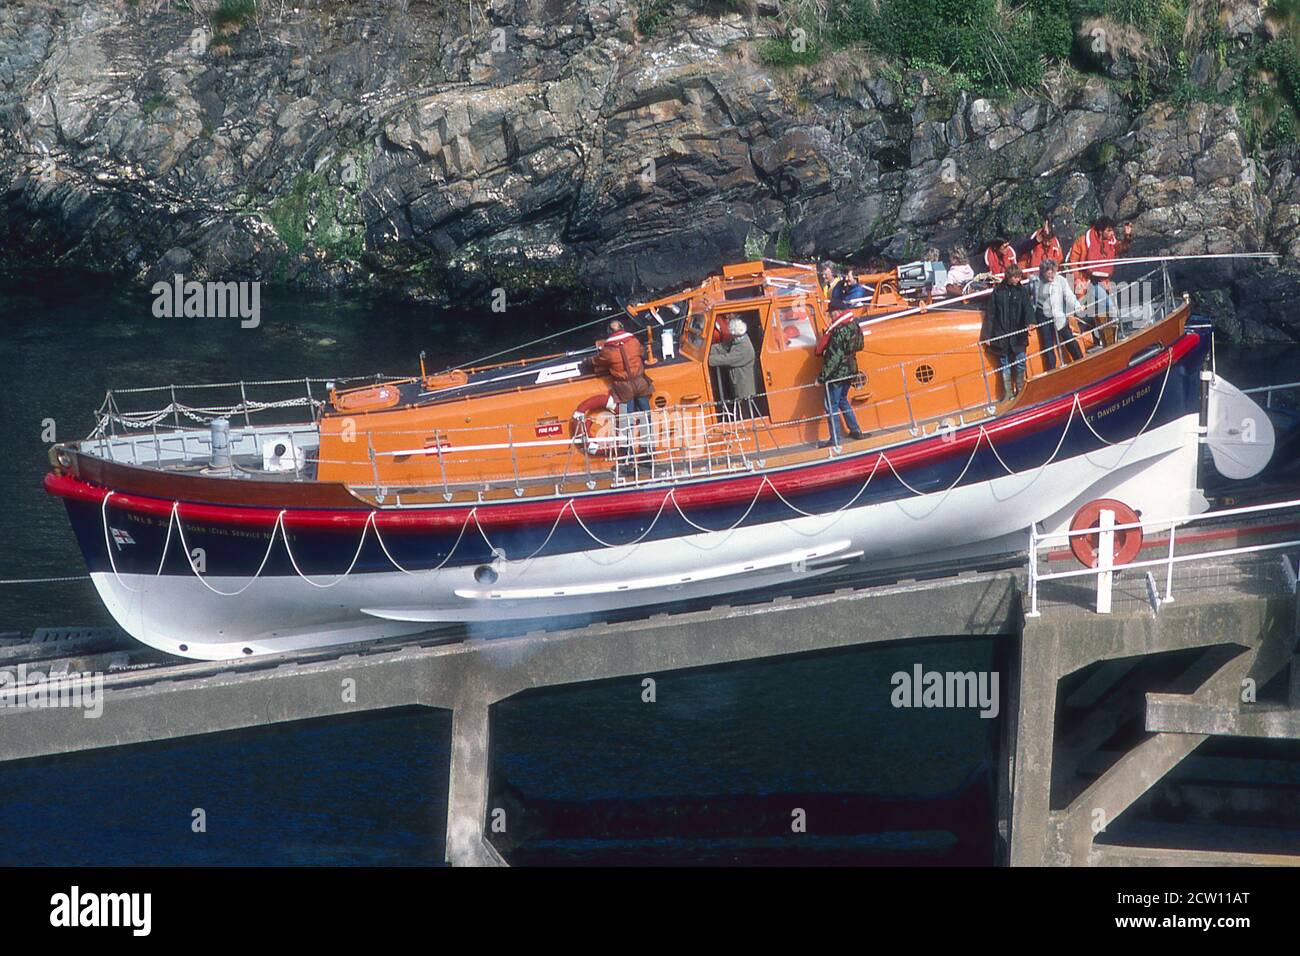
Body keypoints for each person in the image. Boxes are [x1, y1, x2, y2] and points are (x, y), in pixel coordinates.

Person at [1067, 216, 1133, 350]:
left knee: (1107, 309)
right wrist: (1078, 281)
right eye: (1109, 231)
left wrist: (1127, 236)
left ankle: (1107, 340)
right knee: (1109, 308)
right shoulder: (1082, 241)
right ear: (1100, 231)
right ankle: (1107, 343)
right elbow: (1072, 262)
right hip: (1086, 281)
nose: (1112, 233)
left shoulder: (1110, 241)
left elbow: (1122, 249)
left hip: (1102, 282)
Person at [815, 309, 866, 448]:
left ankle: (835, 439)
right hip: (851, 370)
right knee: (843, 400)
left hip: (838, 374)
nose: (830, 317)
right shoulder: (855, 325)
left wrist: (821, 378)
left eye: (831, 313)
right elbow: (861, 345)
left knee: (831, 405)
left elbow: (834, 357)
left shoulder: (838, 331)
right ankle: (856, 430)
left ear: (836, 312)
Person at [591, 319, 654, 430]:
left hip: (623, 388)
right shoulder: (634, 341)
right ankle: (649, 445)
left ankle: (627, 446)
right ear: (622, 327)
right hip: (640, 383)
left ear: (609, 332)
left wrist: (587, 362)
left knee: (626, 419)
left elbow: (597, 361)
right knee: (646, 416)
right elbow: (642, 351)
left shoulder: (607, 350)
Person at [982, 263, 1033, 399]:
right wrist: (986, 335)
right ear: (1008, 277)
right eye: (1015, 277)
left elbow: (1027, 308)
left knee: (1020, 360)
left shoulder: (1022, 291)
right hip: (1002, 333)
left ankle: (1020, 389)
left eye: (1019, 277)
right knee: (1004, 364)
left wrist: (1029, 323)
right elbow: (991, 313)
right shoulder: (998, 291)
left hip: (1018, 333)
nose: (1017, 280)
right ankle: (1008, 393)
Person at [1029, 258, 1084, 371]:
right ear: (1043, 273)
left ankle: (1081, 361)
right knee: (1047, 344)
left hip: (1058, 314)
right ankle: (1052, 370)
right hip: (1042, 316)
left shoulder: (1061, 280)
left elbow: (1068, 295)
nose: (1052, 276)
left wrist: (1077, 306)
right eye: (1049, 274)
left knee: (1069, 338)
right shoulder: (1034, 281)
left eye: (1053, 273)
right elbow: (1029, 299)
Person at [709, 317, 757, 418]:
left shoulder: (745, 348)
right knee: (739, 407)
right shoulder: (739, 340)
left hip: (744, 386)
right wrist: (708, 349)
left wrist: (709, 360)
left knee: (745, 410)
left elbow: (728, 359)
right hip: (737, 382)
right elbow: (725, 347)